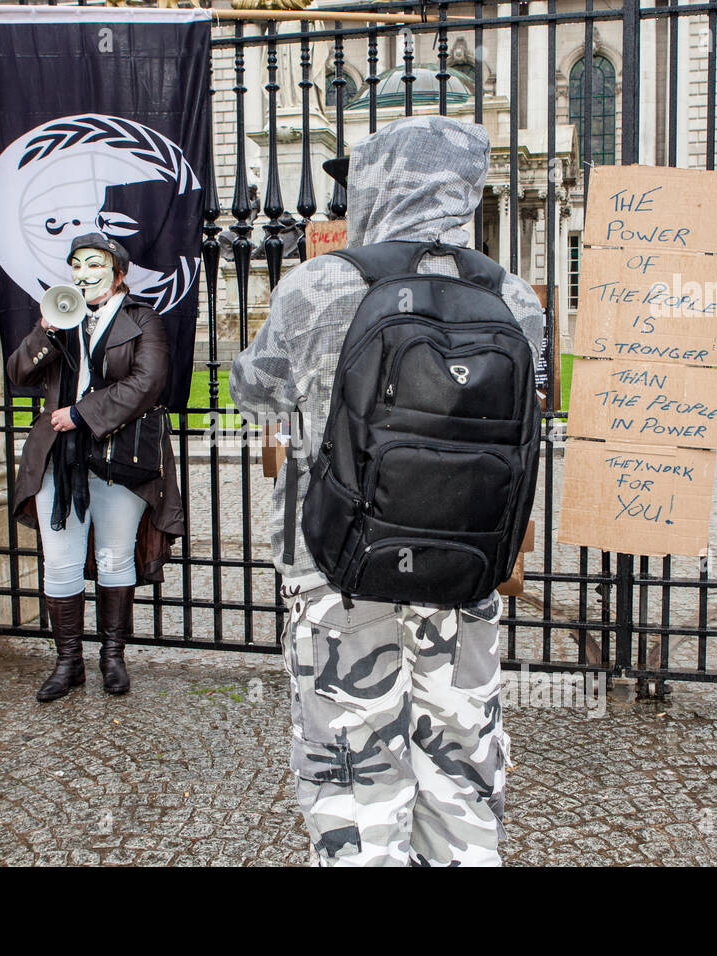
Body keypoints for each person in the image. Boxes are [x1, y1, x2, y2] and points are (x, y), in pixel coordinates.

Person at [230, 116, 544, 866]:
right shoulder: (514, 295)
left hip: (337, 563)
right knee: (463, 752)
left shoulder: (323, 284)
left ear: (380, 183)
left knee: (350, 758)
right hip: (463, 564)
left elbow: (255, 391)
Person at [6, 233, 185, 702]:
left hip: (117, 458)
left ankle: (112, 657)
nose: (83, 275)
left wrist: (82, 413)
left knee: (113, 557)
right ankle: (68, 662)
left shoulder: (142, 319)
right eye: (76, 265)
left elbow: (148, 382)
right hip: (57, 461)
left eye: (94, 264)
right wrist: (45, 331)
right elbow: (18, 376)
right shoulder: (62, 319)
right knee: (60, 562)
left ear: (118, 272)